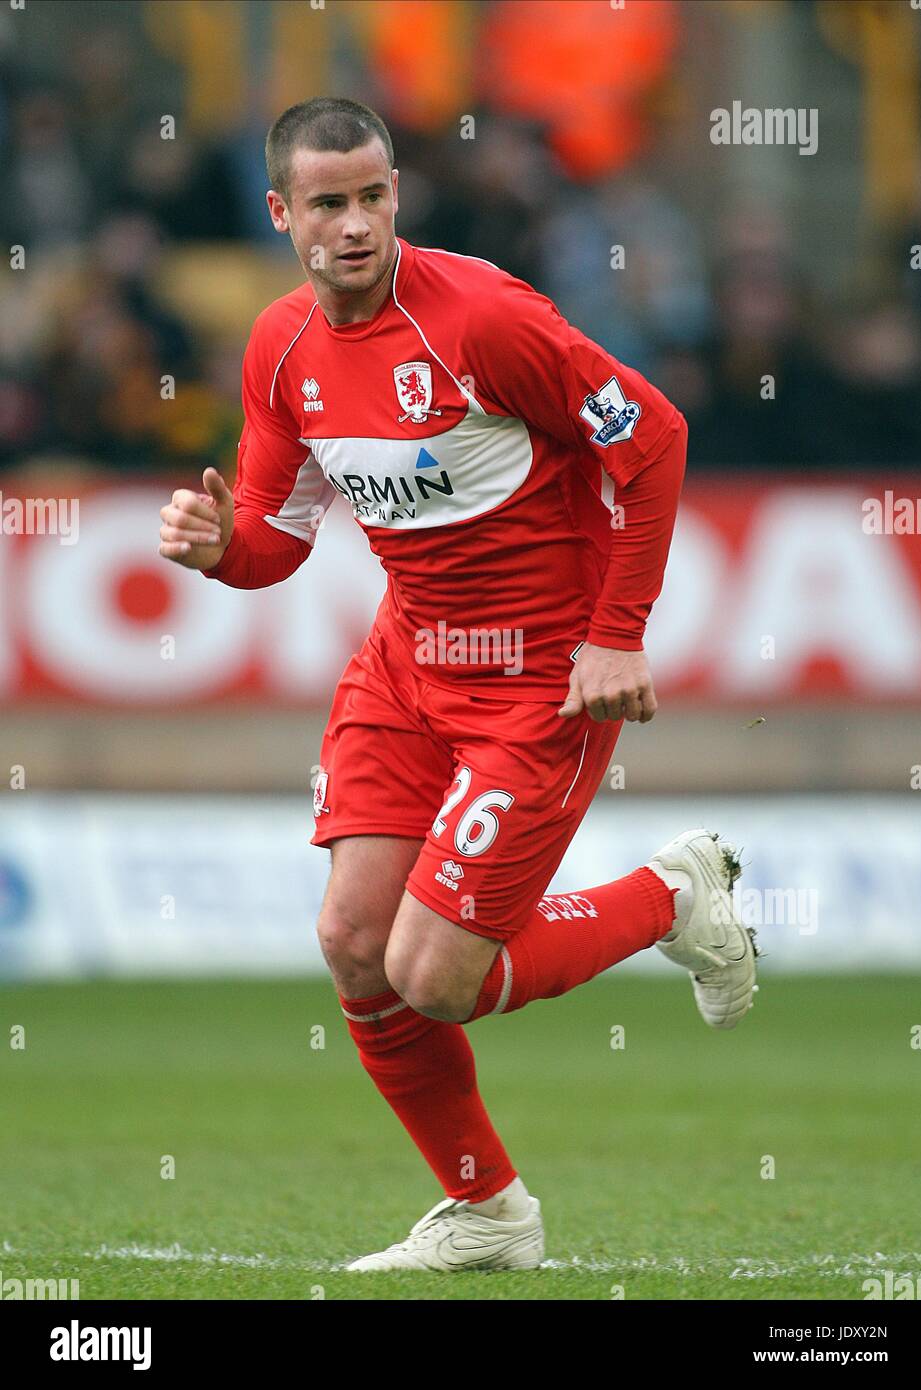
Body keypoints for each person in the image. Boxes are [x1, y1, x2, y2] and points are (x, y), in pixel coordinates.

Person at [158, 97, 757, 1273]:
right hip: (405, 666)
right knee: (352, 940)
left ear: (396, 196)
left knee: (433, 977)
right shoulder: (281, 345)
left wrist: (616, 635)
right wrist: (220, 548)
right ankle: (486, 1212)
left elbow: (650, 436)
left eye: (371, 196)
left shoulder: (482, 318)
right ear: (279, 214)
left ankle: (668, 895)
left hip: (539, 680)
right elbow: (276, 539)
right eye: (326, 203)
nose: (353, 224)